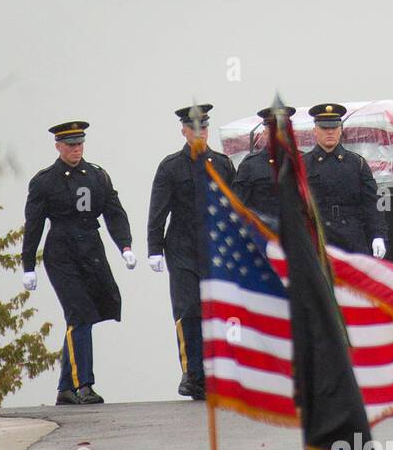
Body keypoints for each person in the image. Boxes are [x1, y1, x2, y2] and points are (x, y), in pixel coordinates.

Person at [22, 120, 135, 406]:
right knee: (80, 314)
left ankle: (64, 388)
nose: (76, 149)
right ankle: (84, 385)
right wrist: (28, 265)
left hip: (91, 249)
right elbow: (33, 225)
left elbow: (114, 212)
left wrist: (125, 245)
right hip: (61, 252)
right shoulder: (45, 181)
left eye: (79, 144)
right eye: (70, 145)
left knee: (84, 317)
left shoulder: (98, 176)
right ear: (58, 146)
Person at [147, 104, 237, 399]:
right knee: (188, 311)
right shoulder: (171, 166)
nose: (199, 133)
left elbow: (234, 208)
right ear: (184, 131)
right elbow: (158, 211)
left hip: (215, 248)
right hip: (182, 249)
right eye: (193, 128)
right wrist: (154, 249)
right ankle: (192, 374)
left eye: (203, 128)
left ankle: (217, 374)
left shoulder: (222, 164)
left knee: (217, 312)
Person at [303, 103, 387, 257]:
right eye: (324, 128)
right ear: (315, 131)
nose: (330, 132)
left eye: (334, 128)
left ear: (340, 130)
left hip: (352, 237)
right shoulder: (302, 165)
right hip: (317, 237)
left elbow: (371, 203)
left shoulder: (357, 164)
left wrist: (378, 235)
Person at [232, 104, 293, 226]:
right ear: (265, 133)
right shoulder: (250, 165)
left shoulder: (303, 163)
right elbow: (238, 207)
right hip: (265, 235)